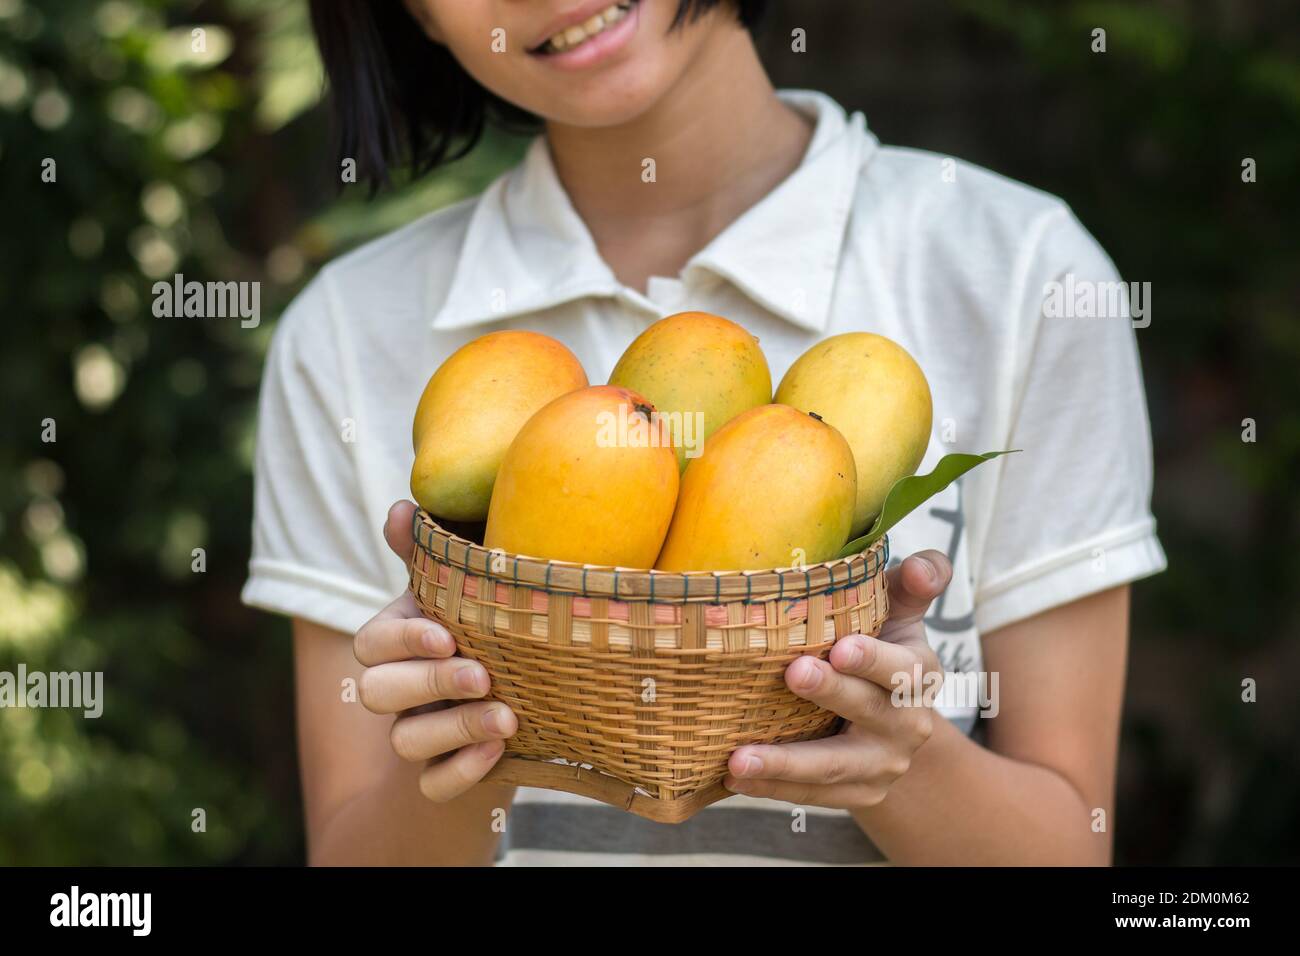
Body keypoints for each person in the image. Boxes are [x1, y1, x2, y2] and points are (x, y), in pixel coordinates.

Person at [242, 0, 1166, 865]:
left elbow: (1071, 845)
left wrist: (895, 753)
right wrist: (483, 726)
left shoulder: (1020, 277)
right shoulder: (349, 333)